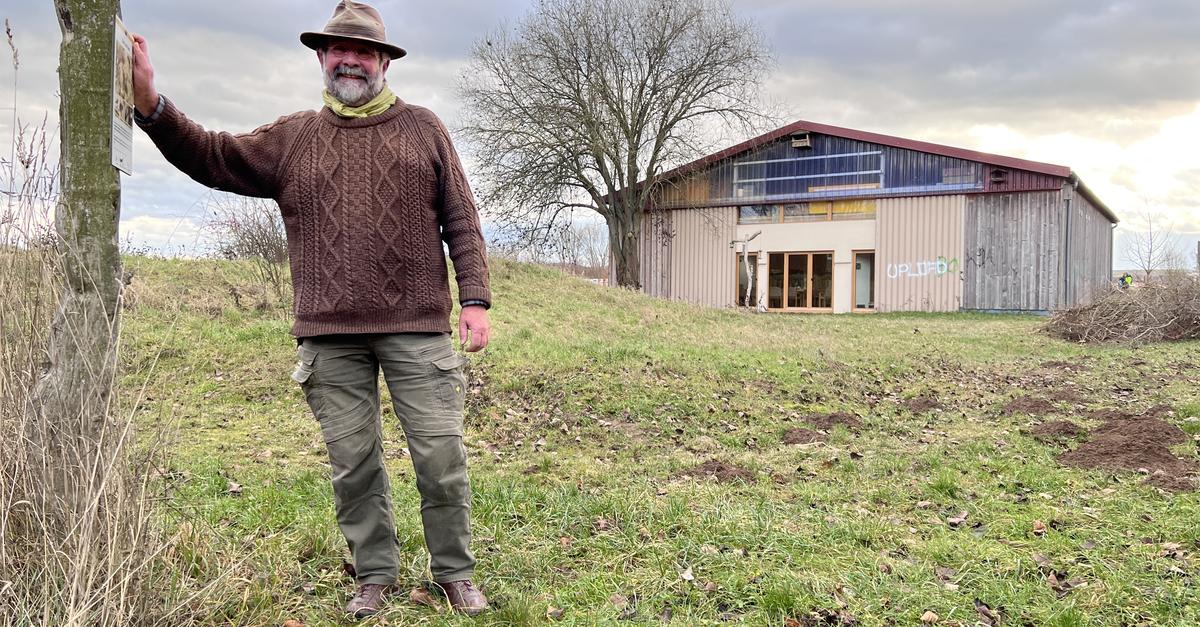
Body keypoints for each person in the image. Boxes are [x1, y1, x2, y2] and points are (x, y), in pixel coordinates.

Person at [131, 1, 492, 618]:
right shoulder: (293, 138)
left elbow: (461, 217)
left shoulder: (424, 128)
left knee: (440, 458)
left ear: (383, 61)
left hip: (418, 324)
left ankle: (453, 572)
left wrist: (476, 299)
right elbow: (213, 155)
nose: (349, 60)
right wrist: (152, 107)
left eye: (363, 51)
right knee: (354, 465)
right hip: (329, 336)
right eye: (337, 50)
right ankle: (374, 574)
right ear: (322, 59)